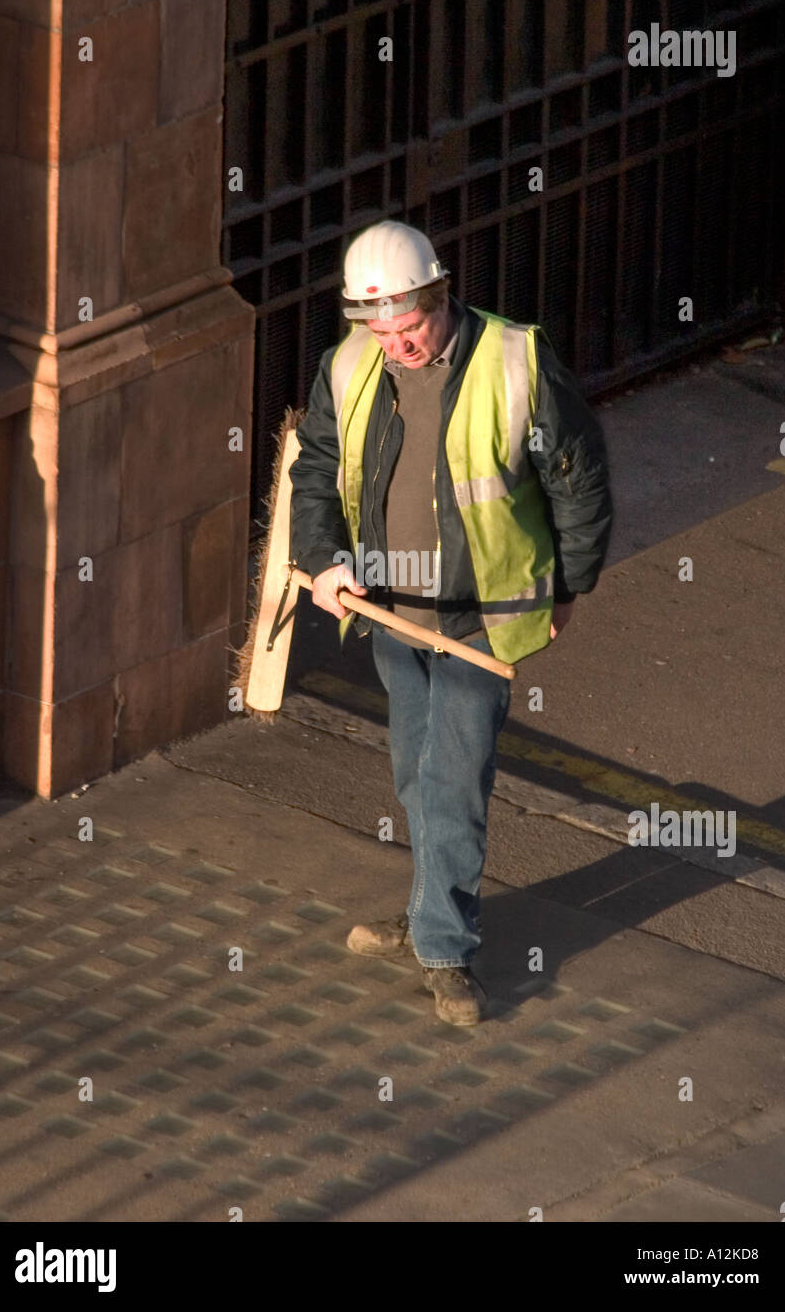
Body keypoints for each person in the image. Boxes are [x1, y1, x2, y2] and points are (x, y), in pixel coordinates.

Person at [289, 220, 613, 1025]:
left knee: (453, 780)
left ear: (441, 296)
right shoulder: (348, 364)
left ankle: (443, 948)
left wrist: (568, 586)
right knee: (414, 772)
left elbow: (578, 480)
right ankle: (432, 910)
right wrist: (326, 558)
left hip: (479, 615)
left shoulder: (516, 362)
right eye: (380, 330)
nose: (397, 345)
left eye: (411, 326)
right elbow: (319, 471)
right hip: (392, 610)